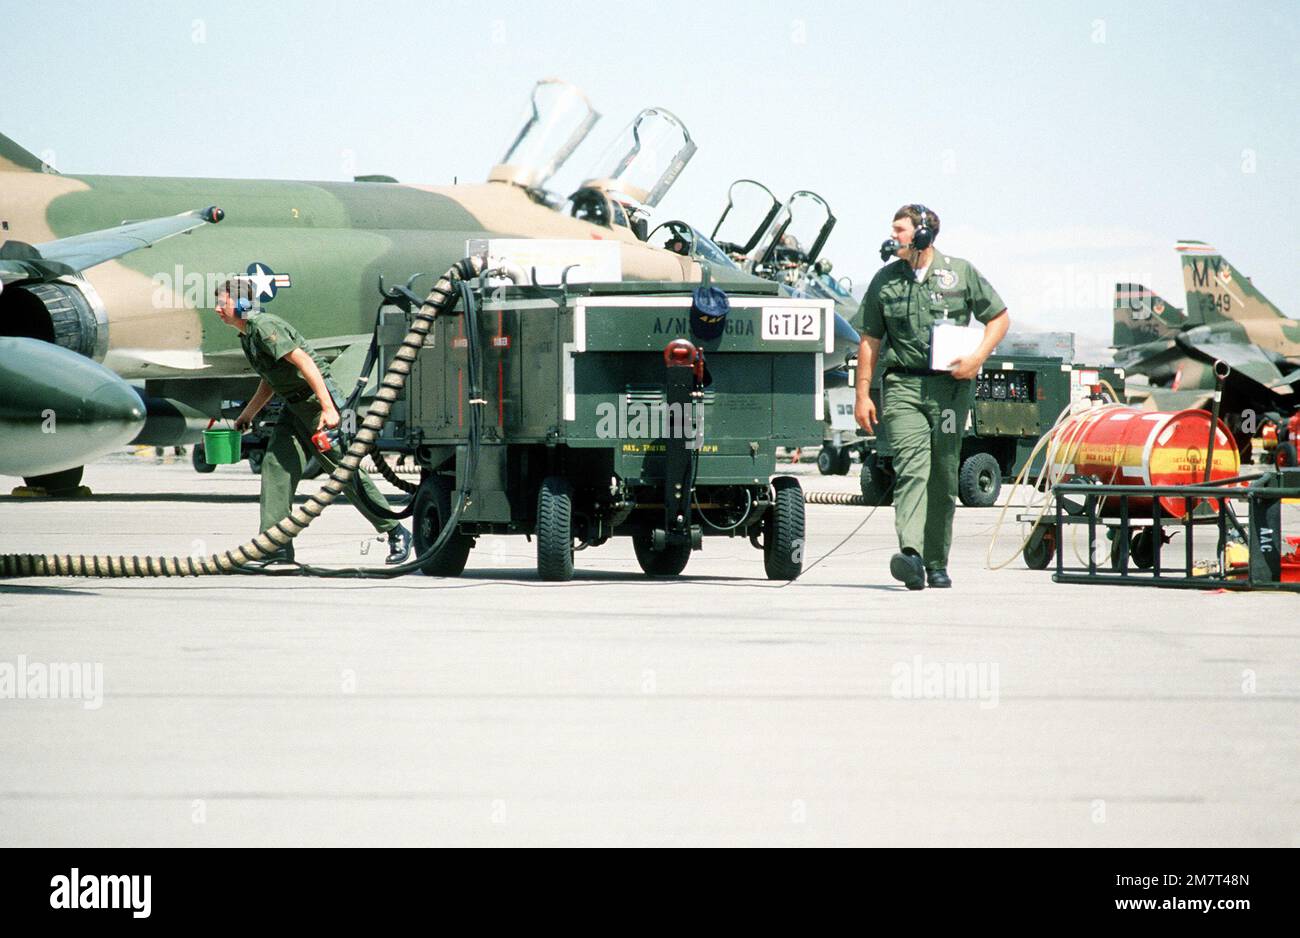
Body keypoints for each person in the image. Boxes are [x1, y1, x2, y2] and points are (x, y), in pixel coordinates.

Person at [855, 205, 1010, 590]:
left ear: (922, 235)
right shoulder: (884, 281)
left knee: (943, 473)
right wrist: (862, 394)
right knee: (912, 468)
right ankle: (911, 554)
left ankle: (937, 561)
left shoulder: (960, 272)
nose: (893, 236)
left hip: (950, 391)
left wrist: (977, 359)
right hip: (904, 388)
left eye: (900, 230)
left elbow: (999, 317)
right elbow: (869, 340)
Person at [214, 279, 411, 567]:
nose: (218, 308)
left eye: (223, 302)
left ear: (242, 304)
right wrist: (248, 414)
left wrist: (329, 409)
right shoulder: (248, 336)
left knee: (344, 472)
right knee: (276, 466)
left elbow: (306, 363)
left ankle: (396, 531)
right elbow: (271, 380)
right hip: (295, 408)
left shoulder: (265, 326)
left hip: (317, 403)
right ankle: (275, 545)